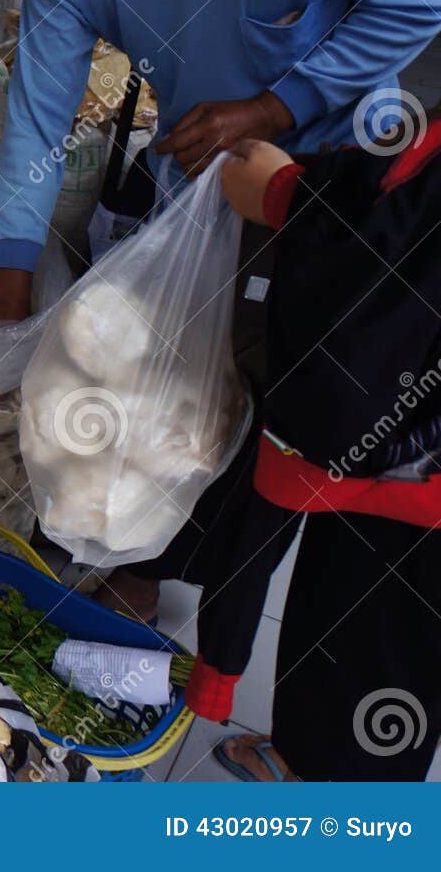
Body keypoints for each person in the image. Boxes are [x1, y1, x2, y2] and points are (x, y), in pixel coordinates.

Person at [0, 0, 441, 620]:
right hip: (205, 196)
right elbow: (38, 108)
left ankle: (243, 604)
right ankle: (144, 566)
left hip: (340, 193)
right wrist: (9, 283)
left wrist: (273, 106)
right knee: (178, 384)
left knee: (313, 397)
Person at [181, 135, 441, 782]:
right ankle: (304, 757)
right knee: (359, 640)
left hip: (410, 475)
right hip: (412, 460)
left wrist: (286, 195)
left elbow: (398, 249)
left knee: (376, 638)